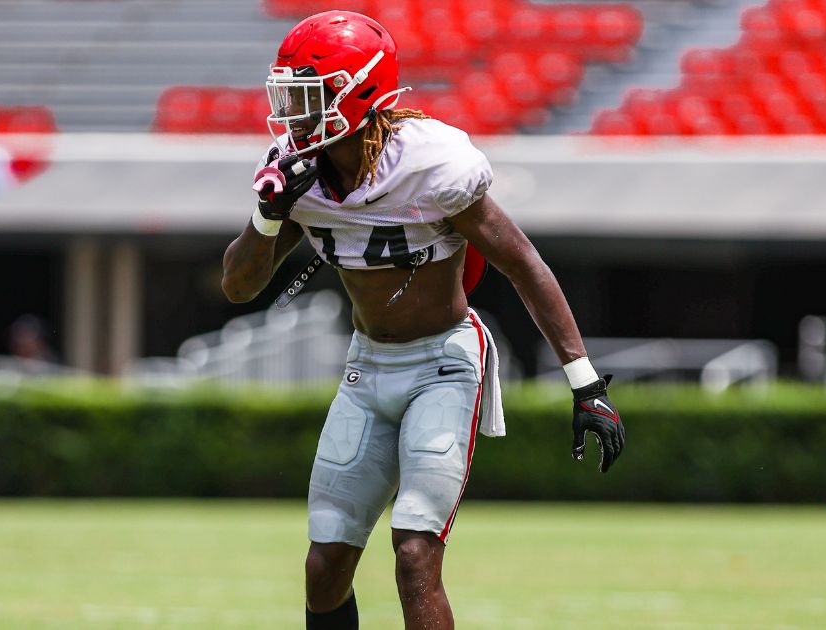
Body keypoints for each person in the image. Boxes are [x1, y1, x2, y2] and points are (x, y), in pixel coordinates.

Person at [221, 11, 625, 629]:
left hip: (443, 365)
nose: (294, 114)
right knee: (324, 566)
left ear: (358, 93)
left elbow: (522, 263)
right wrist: (269, 215)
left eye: (310, 95)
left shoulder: (431, 162)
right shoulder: (295, 174)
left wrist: (586, 383)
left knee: (414, 555)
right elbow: (239, 284)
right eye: (289, 95)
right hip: (367, 367)